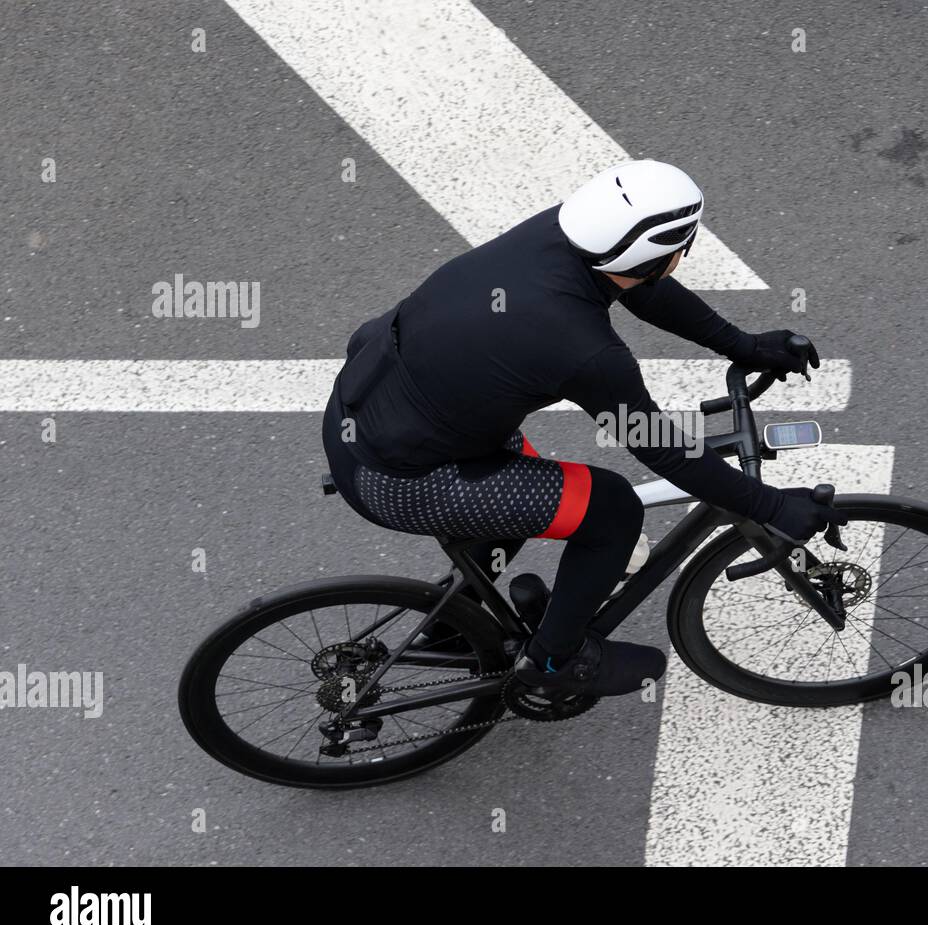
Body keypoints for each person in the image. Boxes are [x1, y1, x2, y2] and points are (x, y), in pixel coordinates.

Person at [321, 159, 844, 700]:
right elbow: (669, 455)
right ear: (666, 255)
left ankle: (456, 623)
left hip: (362, 410)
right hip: (397, 480)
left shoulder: (559, 232)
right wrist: (775, 507)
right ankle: (553, 665)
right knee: (610, 509)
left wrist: (745, 346)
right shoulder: (589, 354)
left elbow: (641, 284)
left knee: (529, 491)